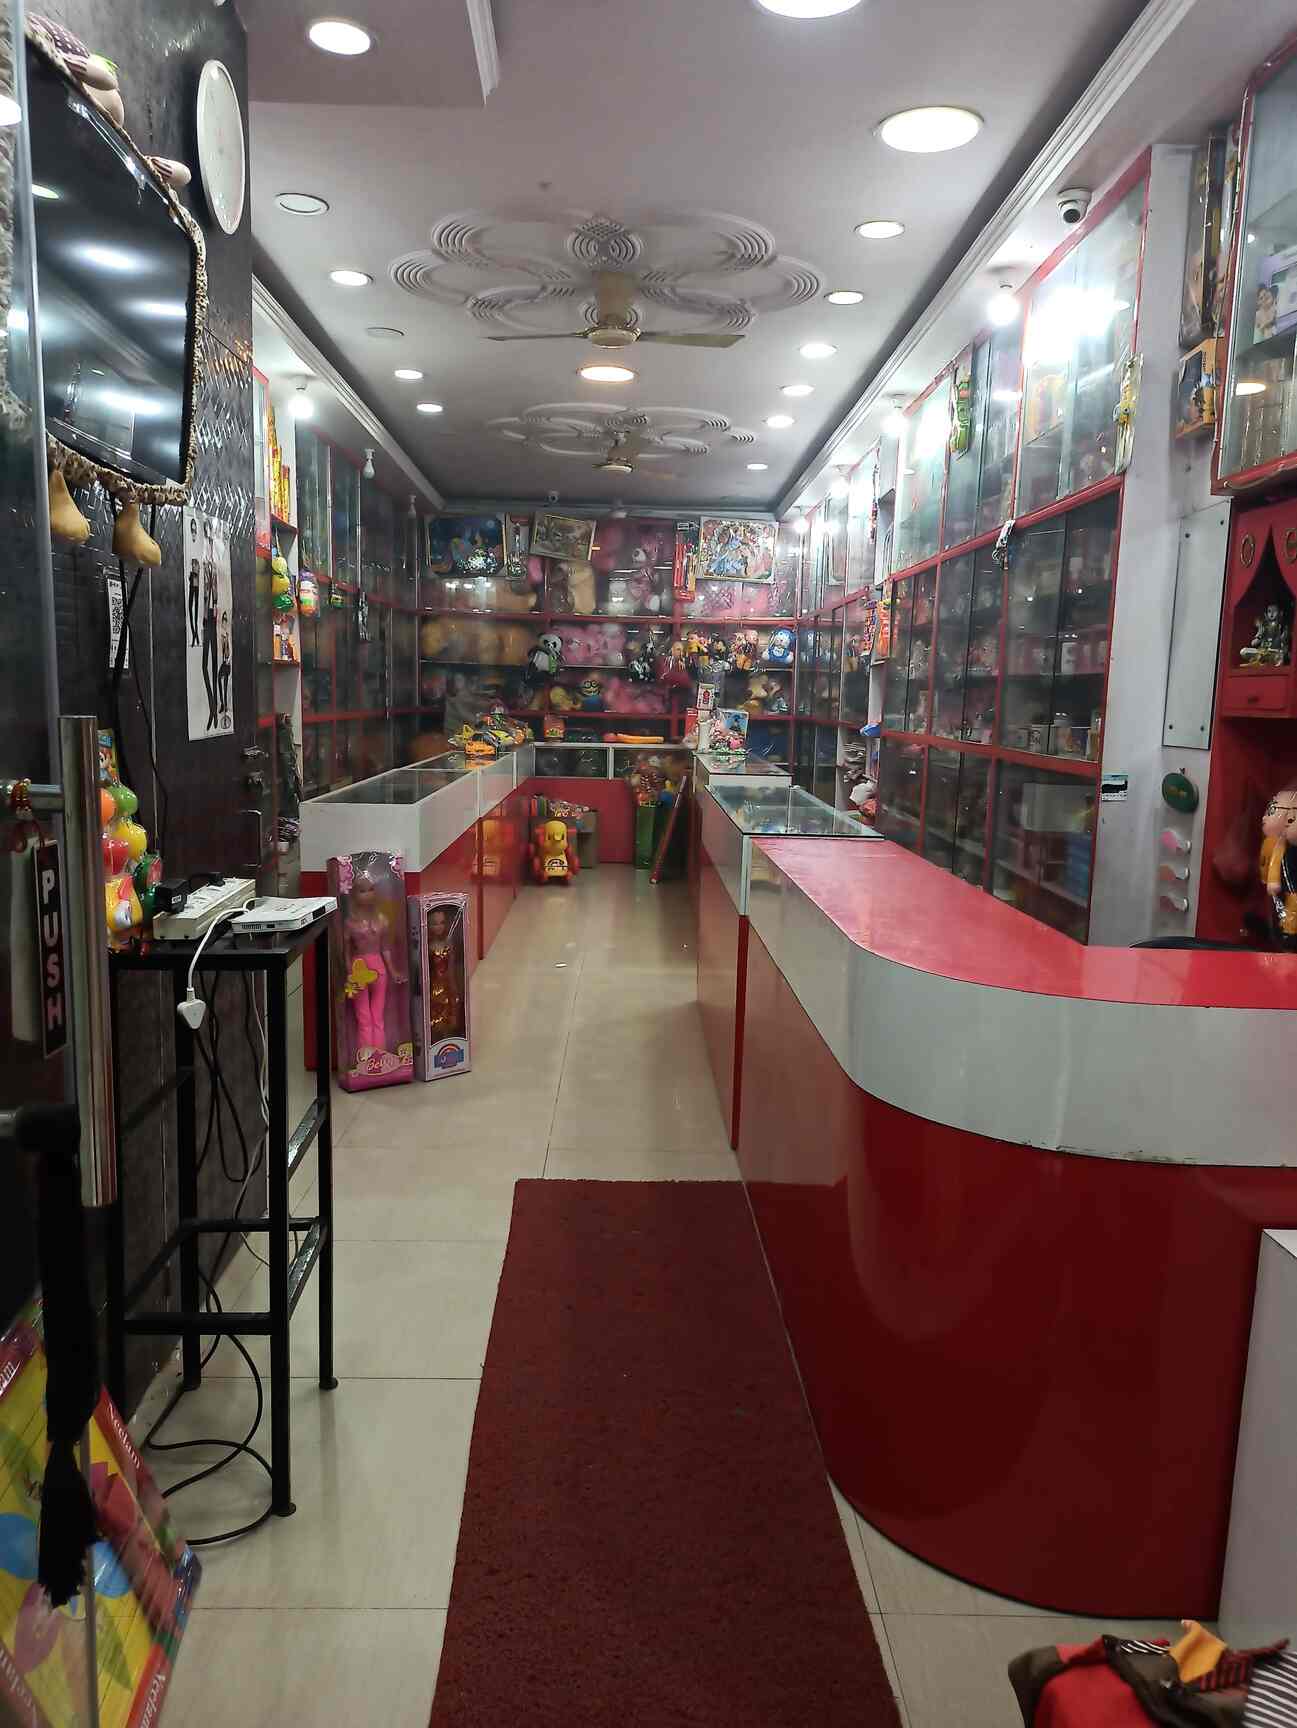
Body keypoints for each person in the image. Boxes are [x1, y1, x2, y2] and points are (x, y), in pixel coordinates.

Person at [200, 522, 219, 731]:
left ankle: (214, 710)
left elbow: (215, 597)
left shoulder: (214, 569)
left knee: (213, 666)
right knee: (205, 666)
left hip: (213, 620)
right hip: (206, 622)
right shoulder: (204, 568)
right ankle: (212, 706)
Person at [217, 610, 231, 725]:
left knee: (225, 685)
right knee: (220, 682)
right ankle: (223, 703)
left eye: (225, 621)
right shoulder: (222, 634)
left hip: (227, 663)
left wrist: (228, 660)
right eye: (223, 621)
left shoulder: (227, 635)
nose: (224, 623)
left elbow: (230, 650)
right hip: (223, 662)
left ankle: (224, 704)